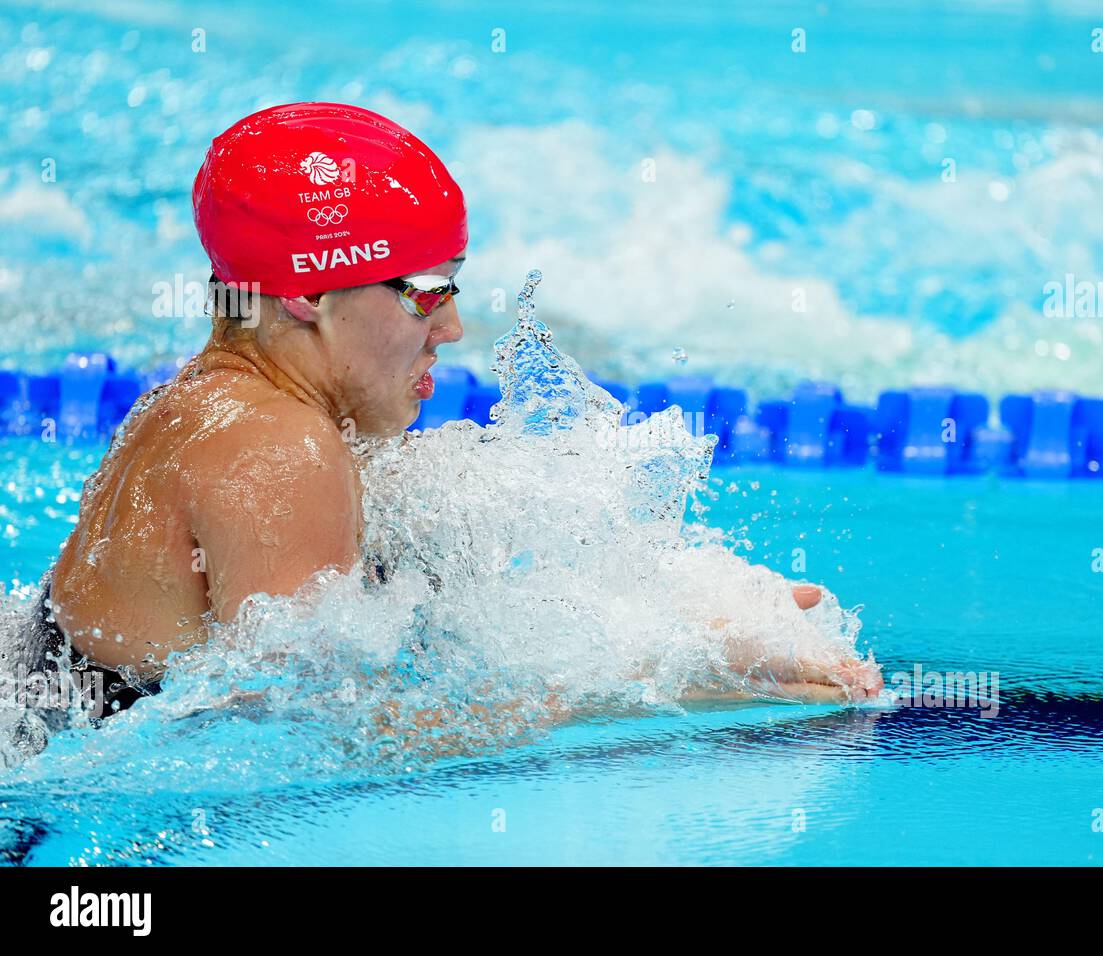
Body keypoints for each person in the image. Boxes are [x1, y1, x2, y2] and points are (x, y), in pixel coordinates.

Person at [38, 102, 880, 722]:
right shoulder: (278, 449)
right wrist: (666, 690)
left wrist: (681, 617)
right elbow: (306, 737)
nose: (452, 325)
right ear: (303, 294)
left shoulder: (210, 403)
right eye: (424, 292)